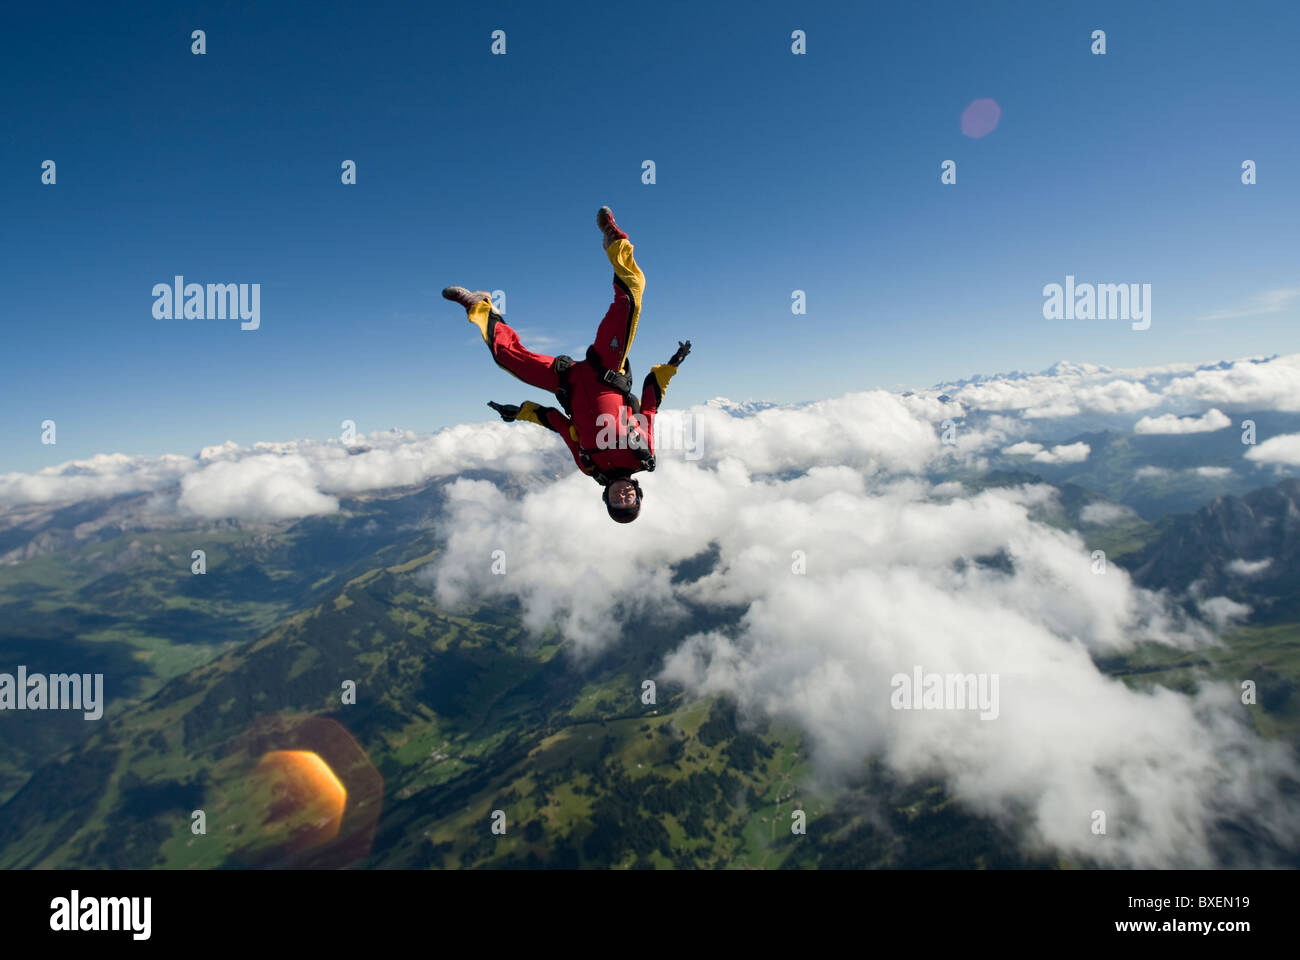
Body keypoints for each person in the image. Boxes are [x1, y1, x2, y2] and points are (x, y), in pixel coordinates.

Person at [443, 207, 690, 523]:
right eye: (630, 499)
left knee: (506, 359)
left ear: (607, 498)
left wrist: (519, 413)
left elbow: (559, 424)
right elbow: (650, 407)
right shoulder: (643, 455)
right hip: (606, 372)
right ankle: (616, 242)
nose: (623, 496)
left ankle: (479, 305)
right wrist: (670, 367)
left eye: (617, 502)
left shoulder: (589, 465)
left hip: (567, 382)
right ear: (637, 492)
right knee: (629, 303)